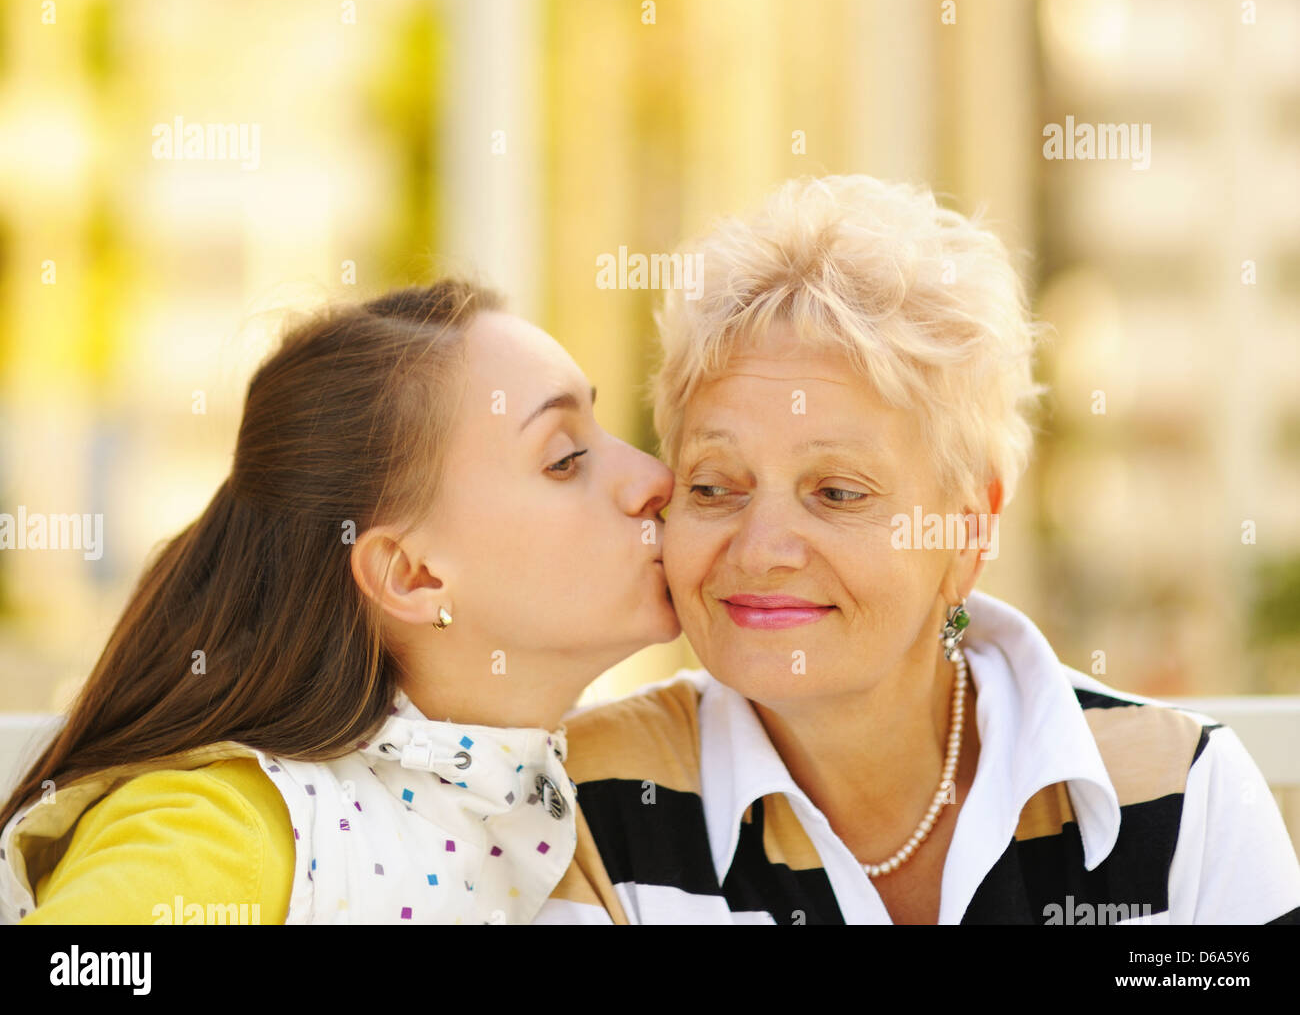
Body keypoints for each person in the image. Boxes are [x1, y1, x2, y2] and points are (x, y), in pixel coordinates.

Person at [535, 174, 1300, 925]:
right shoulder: (581, 805)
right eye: (713, 487)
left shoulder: (1184, 798)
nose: (762, 550)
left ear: (970, 528)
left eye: (837, 492)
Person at [0, 279, 676, 924]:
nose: (654, 478)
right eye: (564, 460)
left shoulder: (574, 786)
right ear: (411, 575)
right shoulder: (228, 833)